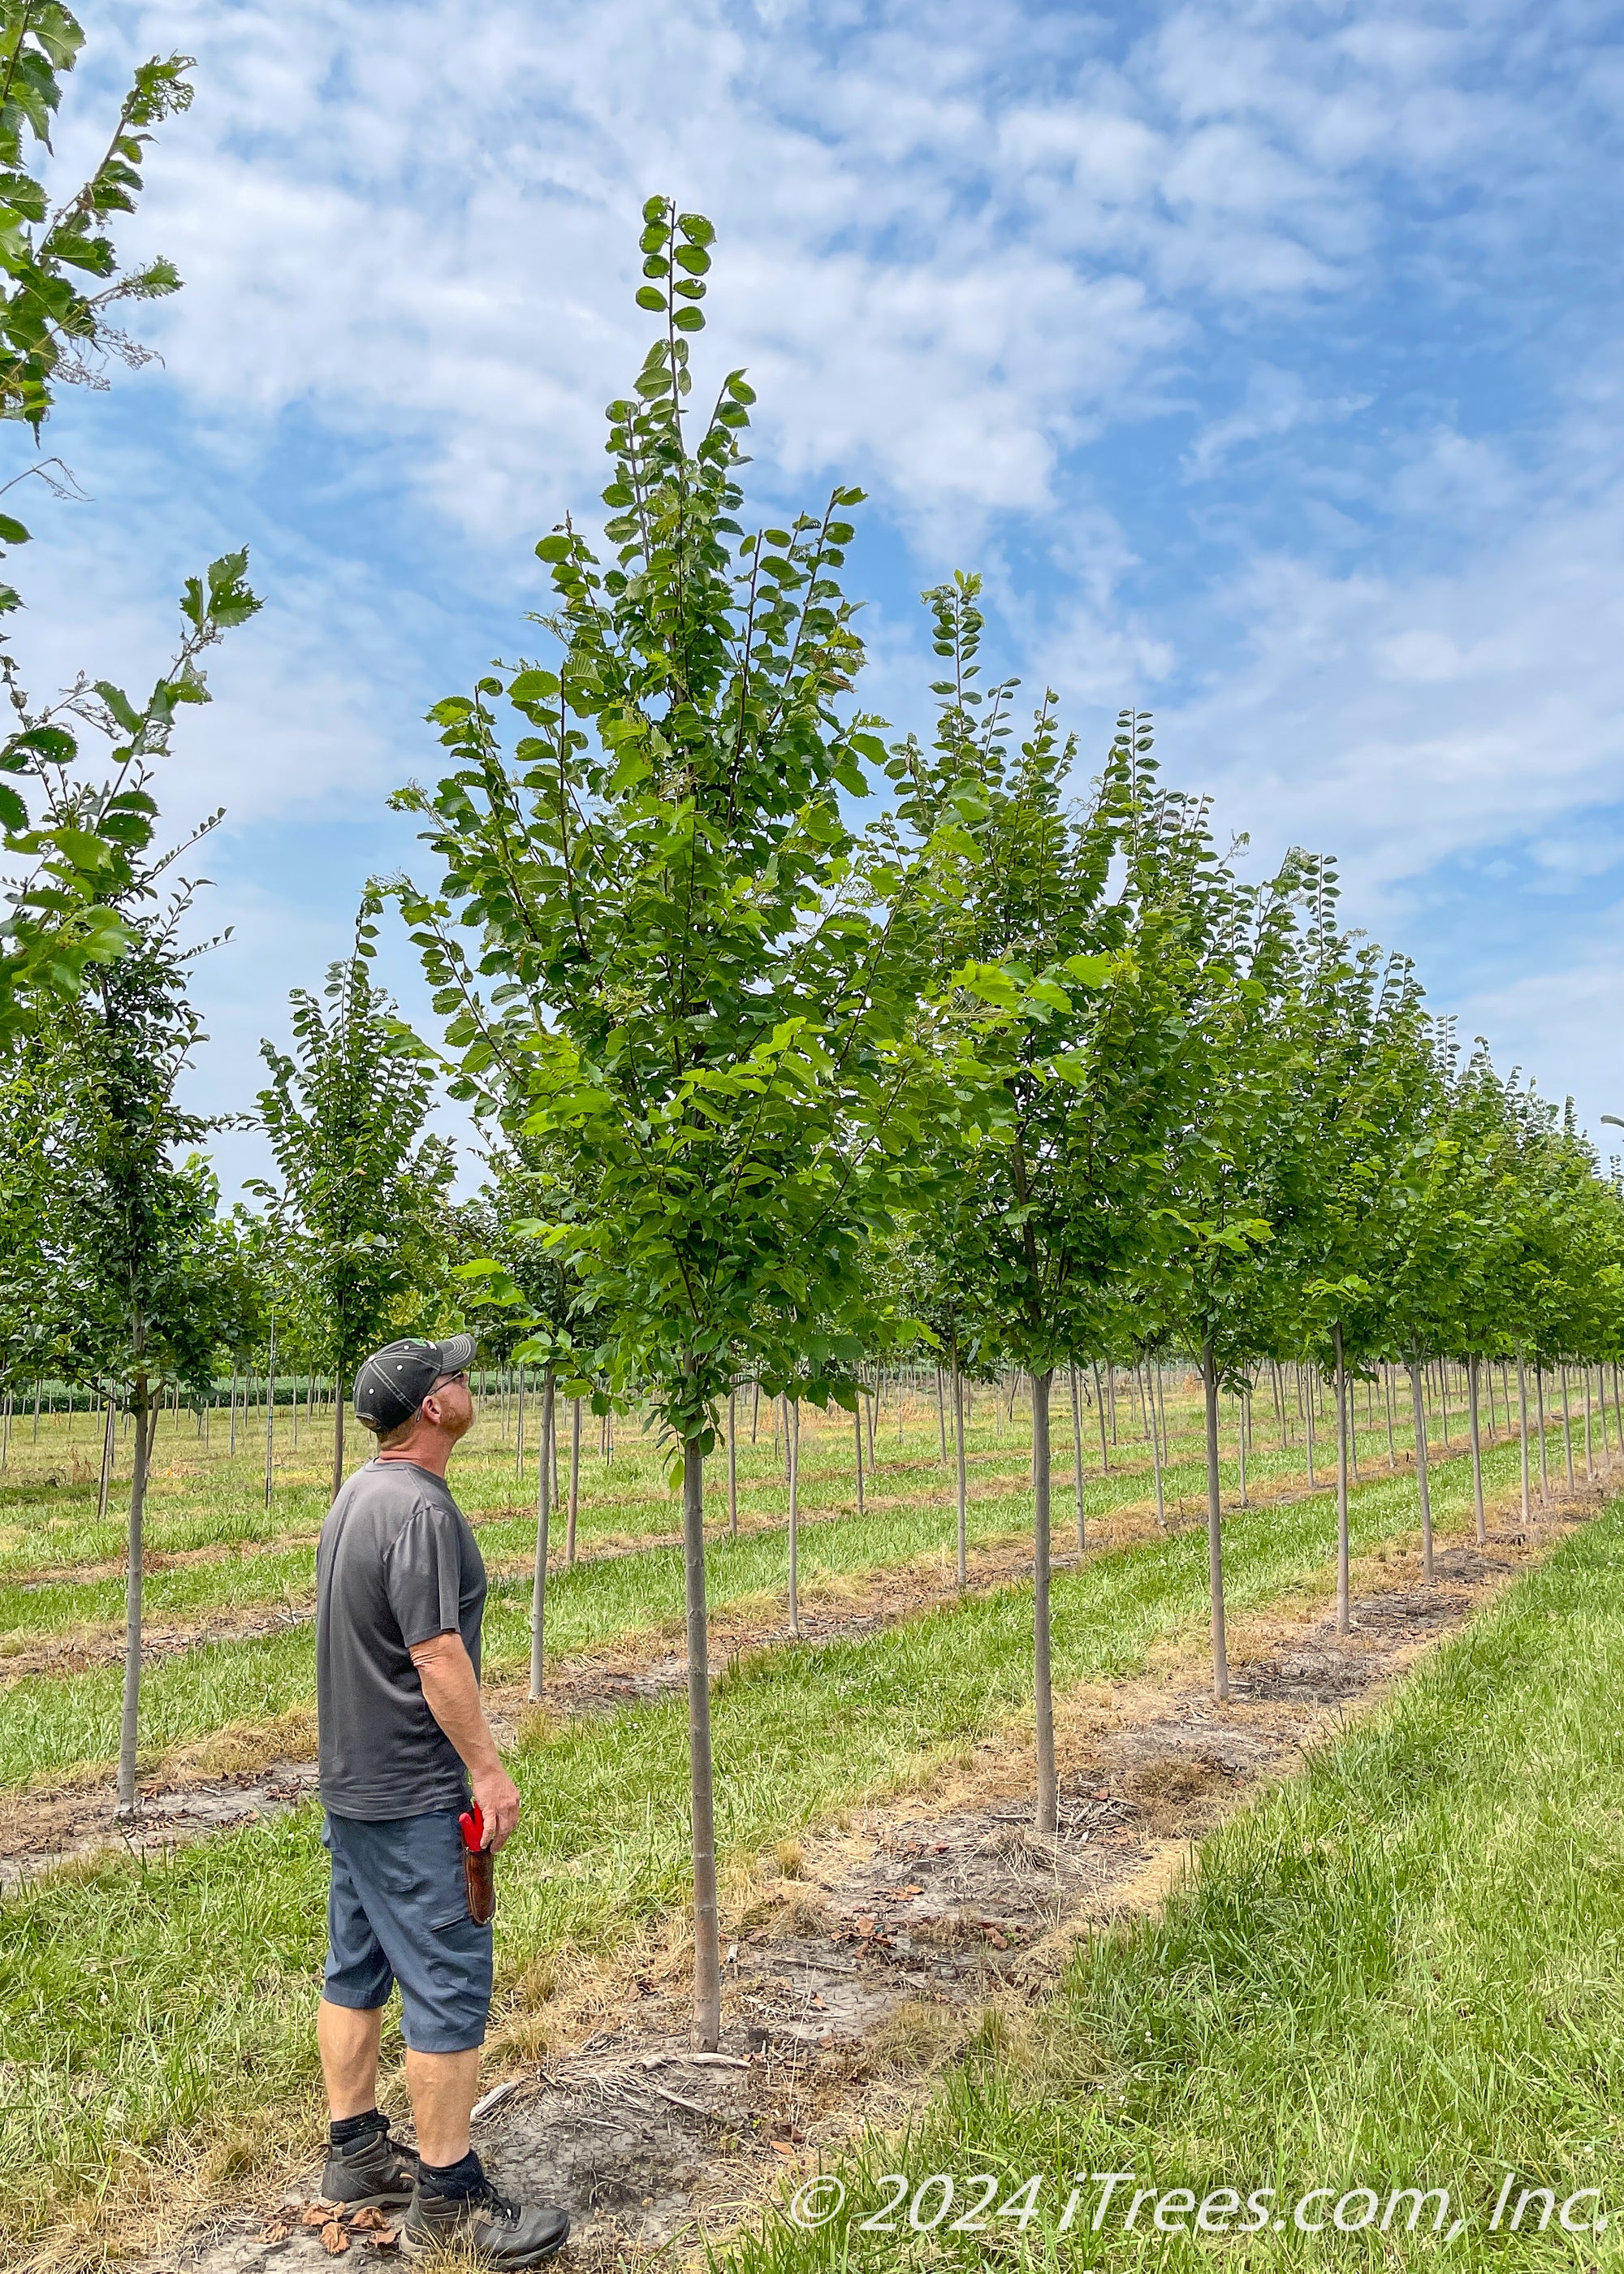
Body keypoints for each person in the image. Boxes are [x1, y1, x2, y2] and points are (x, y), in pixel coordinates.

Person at [313, 1334, 568, 2265]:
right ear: (431, 1406)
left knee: (356, 1965)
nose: (470, 1384)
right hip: (413, 1787)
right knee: (447, 1984)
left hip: (352, 1780)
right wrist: (488, 1770)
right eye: (456, 1376)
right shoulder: (418, 1509)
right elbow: (434, 1654)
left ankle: (353, 2153)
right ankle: (448, 2198)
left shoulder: (357, 1494)